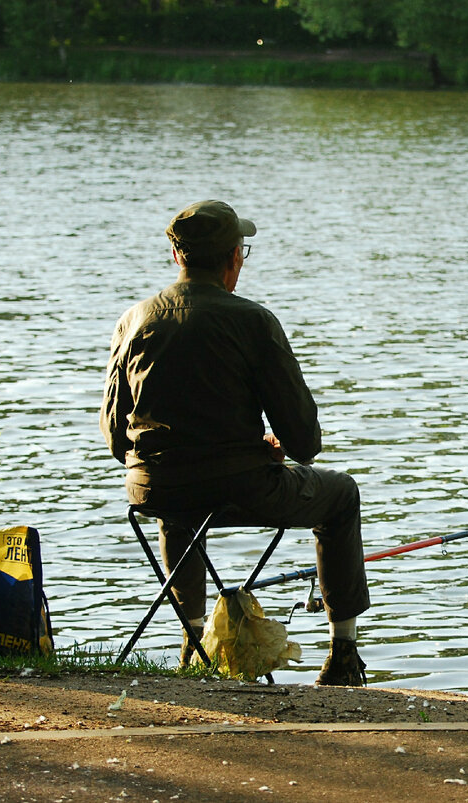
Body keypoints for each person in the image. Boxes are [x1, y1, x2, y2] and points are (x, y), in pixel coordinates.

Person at [100, 200, 370, 686]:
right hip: (242, 488)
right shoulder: (253, 321)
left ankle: (193, 640)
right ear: (231, 260)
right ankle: (343, 655)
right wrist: (264, 448)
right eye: (241, 252)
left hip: (153, 488)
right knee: (342, 494)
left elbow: (116, 436)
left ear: (176, 257)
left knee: (178, 505)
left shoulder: (133, 320)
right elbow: (305, 441)